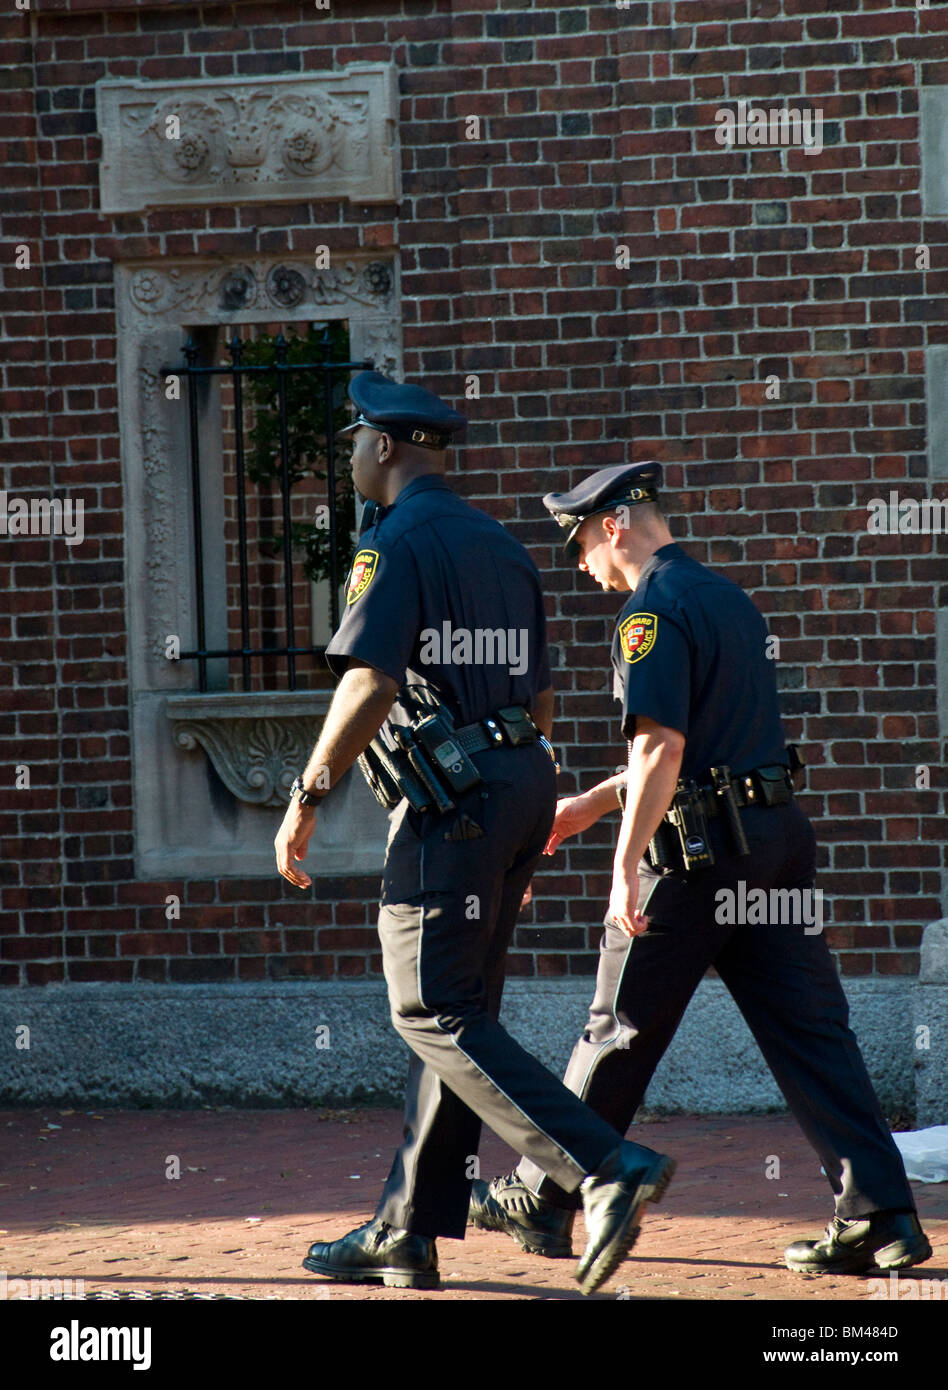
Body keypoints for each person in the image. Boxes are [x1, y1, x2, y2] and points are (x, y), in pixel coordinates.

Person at [469, 462, 932, 1278]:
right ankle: (883, 1217)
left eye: (581, 542)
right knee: (814, 1033)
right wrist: (591, 804)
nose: (581, 564)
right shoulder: (728, 598)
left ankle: (541, 1194)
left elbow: (662, 746)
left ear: (614, 524)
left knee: (616, 1029)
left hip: (693, 861)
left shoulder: (648, 612)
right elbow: (709, 745)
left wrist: (621, 871)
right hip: (775, 845)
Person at [273, 377, 676, 1296]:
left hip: (449, 800)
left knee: (428, 1009)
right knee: (457, 1013)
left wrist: (307, 793)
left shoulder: (395, 542)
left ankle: (606, 1167)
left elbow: (370, 682)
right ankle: (405, 1230)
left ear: (382, 449)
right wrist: (519, 832)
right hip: (519, 781)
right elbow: (539, 696)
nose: (349, 459)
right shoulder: (503, 545)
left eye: (353, 444)